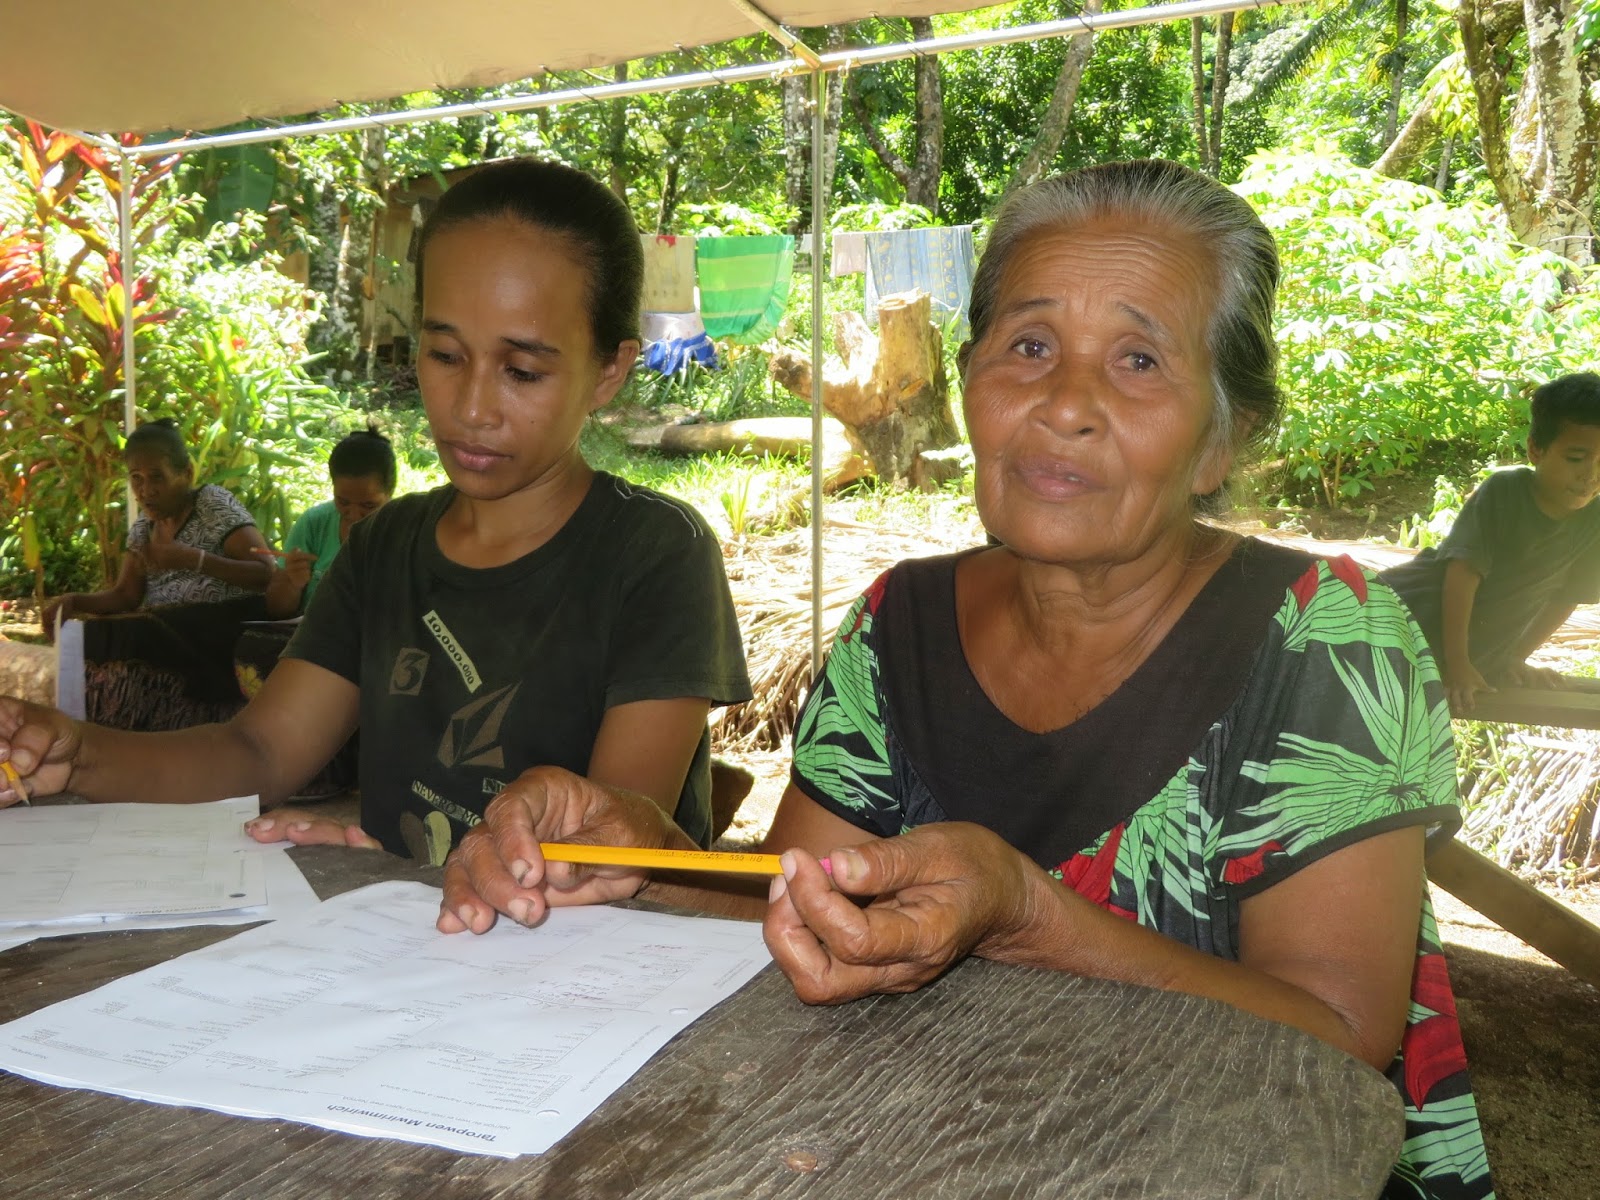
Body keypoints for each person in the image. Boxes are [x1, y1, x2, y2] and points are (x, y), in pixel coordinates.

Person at [434, 161, 1491, 1200]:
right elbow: (802, 902)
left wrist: (1032, 917)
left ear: (1221, 439)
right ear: (970, 382)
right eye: (1028, 344)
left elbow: (1344, 1036)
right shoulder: (903, 622)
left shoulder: (1327, 637)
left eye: (1136, 361)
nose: (1063, 403)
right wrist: (641, 860)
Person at [0, 157, 751, 868]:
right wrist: (78, 752)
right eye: (445, 355)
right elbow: (257, 755)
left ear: (609, 371)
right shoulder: (386, 548)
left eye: (522, 370)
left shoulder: (655, 555)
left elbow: (615, 842)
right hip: (407, 963)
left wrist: (434, 877)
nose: (472, 407)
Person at [1380, 372, 1600, 714]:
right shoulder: (1505, 492)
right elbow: (1462, 575)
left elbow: (1567, 596)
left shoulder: (1595, 519)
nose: (1590, 474)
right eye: (1576, 458)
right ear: (1535, 450)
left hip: (1466, 651)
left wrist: (1514, 657)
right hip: (1399, 623)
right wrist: (1458, 664)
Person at [39, 418, 272, 634]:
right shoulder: (144, 527)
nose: (146, 490)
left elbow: (266, 573)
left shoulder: (209, 503)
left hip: (222, 636)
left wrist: (195, 560)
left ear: (187, 473)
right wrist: (73, 601)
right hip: (165, 638)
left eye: (157, 477)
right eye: (136, 478)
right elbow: (125, 595)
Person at [262, 426, 397, 618]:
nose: (354, 514)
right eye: (343, 502)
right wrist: (291, 582)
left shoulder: (405, 531)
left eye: (368, 505)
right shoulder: (314, 523)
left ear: (390, 493)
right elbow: (276, 609)